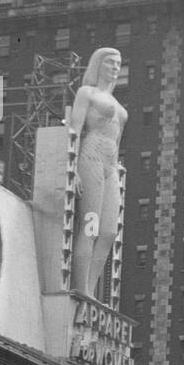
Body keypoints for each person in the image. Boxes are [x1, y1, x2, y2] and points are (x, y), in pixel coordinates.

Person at [70, 47, 128, 299]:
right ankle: (81, 289)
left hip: (111, 162)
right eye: (110, 62)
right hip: (91, 152)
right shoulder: (87, 93)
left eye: (118, 63)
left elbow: (119, 142)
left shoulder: (120, 108)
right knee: (91, 226)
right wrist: (72, 170)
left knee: (108, 232)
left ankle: (89, 290)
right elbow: (74, 129)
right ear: (98, 65)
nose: (115, 67)